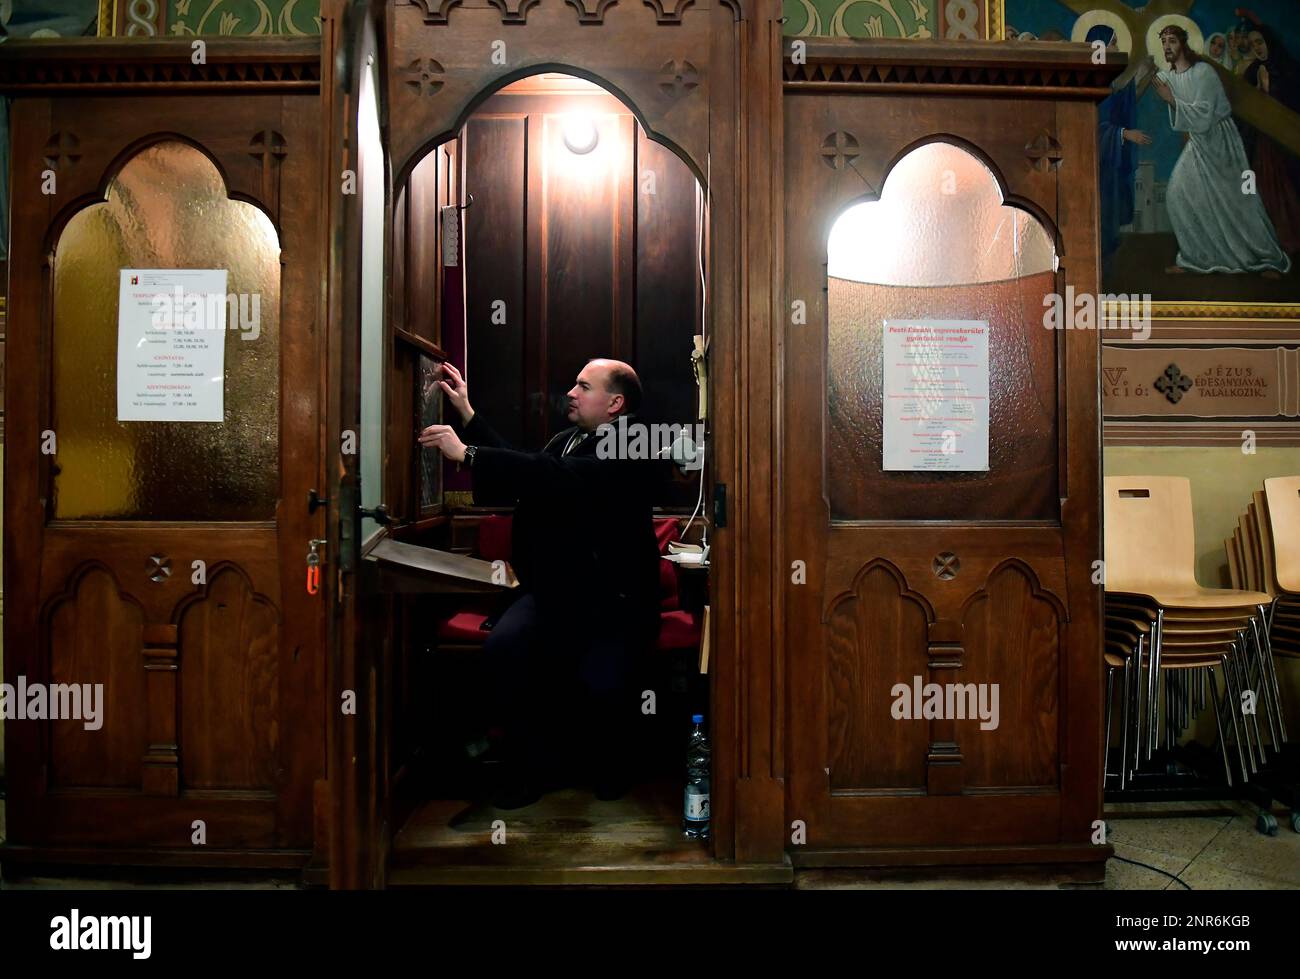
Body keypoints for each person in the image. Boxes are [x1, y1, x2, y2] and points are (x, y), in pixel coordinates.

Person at [419, 358, 665, 809]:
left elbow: (560, 478)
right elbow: (529, 473)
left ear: (615, 403)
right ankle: (527, 767)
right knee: (506, 648)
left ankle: (605, 767)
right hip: (557, 594)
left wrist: (468, 454)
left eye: (583, 386)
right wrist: (468, 415)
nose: (570, 392)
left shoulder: (633, 442)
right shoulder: (569, 438)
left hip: (613, 602)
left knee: (599, 683)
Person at [1152, 24, 1290, 277]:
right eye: (1164, 43)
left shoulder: (1203, 72)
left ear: (1182, 43)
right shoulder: (1168, 78)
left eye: (1171, 41)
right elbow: (1182, 114)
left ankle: (1270, 258)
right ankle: (1196, 258)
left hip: (1221, 141)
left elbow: (1204, 116)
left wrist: (1171, 99)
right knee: (1177, 194)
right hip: (1199, 144)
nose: (1167, 47)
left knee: (1238, 202)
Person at [1088, 24, 1154, 268]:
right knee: (1101, 218)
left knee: (1110, 219)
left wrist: (1142, 74)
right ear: (1099, 46)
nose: (1116, 47)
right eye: (1112, 42)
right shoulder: (1090, 80)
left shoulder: (1105, 79)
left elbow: (1122, 103)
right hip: (1096, 165)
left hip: (1108, 164)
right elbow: (1094, 126)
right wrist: (1125, 133)